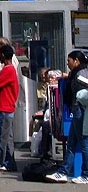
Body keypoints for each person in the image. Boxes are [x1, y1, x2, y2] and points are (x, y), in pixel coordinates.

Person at [47, 50, 88, 184]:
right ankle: (63, 172)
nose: (67, 63)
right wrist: (63, 76)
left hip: (79, 110)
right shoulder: (77, 73)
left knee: (83, 143)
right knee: (71, 144)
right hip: (76, 110)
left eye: (69, 60)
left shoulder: (81, 75)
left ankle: (85, 174)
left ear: (77, 61)